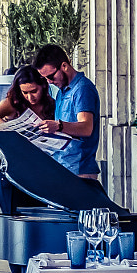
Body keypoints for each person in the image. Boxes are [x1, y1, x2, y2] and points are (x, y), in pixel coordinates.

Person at [33, 41, 102, 180]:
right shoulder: (62, 91)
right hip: (63, 166)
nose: (49, 82)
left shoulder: (82, 89)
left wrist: (58, 125)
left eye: (51, 76)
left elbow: (86, 127)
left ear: (64, 66)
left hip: (79, 170)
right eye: (45, 78)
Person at [0, 64, 57, 129]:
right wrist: (8, 129)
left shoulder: (52, 102)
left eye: (34, 91)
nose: (30, 97)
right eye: (25, 92)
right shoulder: (12, 102)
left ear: (43, 86)